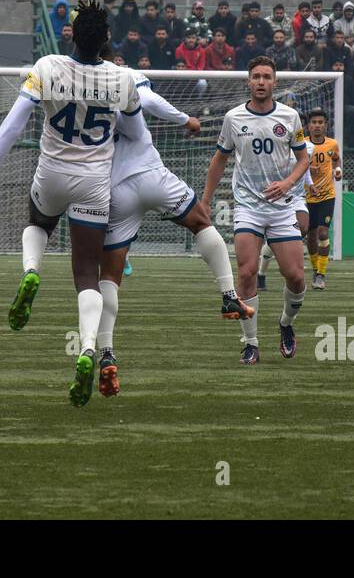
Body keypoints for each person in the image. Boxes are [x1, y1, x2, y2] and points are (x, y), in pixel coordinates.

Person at [0, 2, 146, 407]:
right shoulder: (122, 79)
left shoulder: (47, 66)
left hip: (51, 174)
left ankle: (32, 270)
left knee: (38, 221)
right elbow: (136, 133)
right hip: (93, 185)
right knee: (87, 274)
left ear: (72, 34)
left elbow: (13, 124)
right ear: (106, 39)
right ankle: (87, 348)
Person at [95, 66, 247, 395]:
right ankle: (228, 296)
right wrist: (186, 120)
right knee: (200, 221)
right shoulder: (125, 76)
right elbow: (149, 100)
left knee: (109, 275)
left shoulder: (81, 85)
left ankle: (106, 351)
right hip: (150, 174)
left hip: (113, 188)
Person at [201, 57, 310, 365]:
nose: (261, 82)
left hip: (282, 207)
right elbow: (219, 160)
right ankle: (250, 343)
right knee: (247, 272)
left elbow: (303, 159)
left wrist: (286, 184)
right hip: (248, 206)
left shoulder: (290, 116)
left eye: (266, 77)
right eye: (256, 77)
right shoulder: (233, 118)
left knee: (296, 277)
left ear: (275, 82)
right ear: (248, 82)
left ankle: (286, 323)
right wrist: (205, 200)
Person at [301, 109, 341, 290]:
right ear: (308, 126)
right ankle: (315, 268)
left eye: (320, 122)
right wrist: (308, 169)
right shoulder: (302, 144)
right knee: (310, 236)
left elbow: (336, 159)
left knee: (323, 233)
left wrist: (337, 170)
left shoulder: (332, 144)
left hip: (326, 195)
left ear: (326, 125)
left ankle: (321, 274)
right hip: (306, 197)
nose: (317, 126)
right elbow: (293, 165)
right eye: (314, 122)